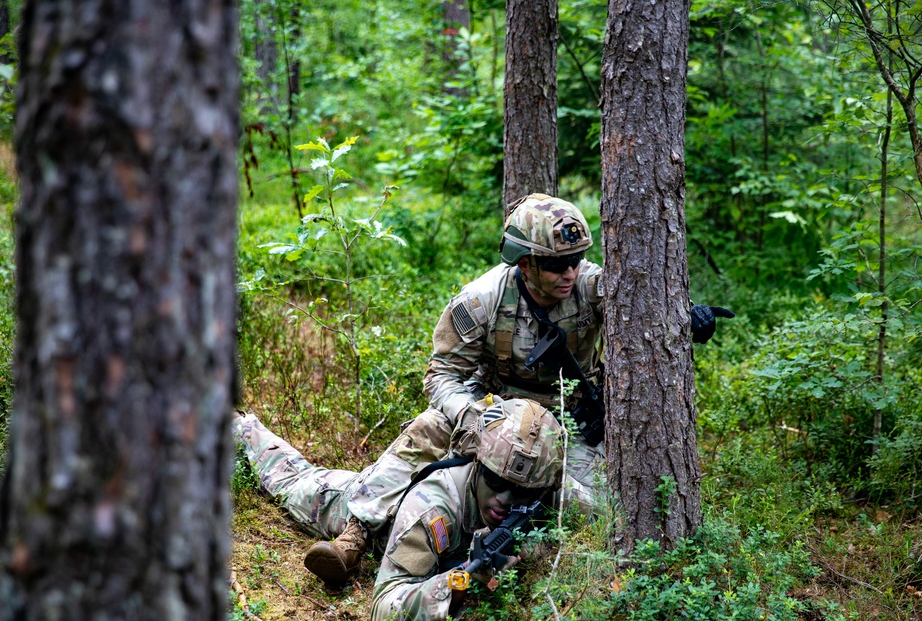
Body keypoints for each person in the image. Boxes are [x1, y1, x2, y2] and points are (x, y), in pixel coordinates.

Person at [304, 193, 734, 587]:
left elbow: (642, 306)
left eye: (577, 260)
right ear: (525, 263)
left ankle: (518, 561)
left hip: (568, 423)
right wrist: (473, 417)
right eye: (555, 264)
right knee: (427, 428)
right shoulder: (482, 300)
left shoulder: (592, 286)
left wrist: (683, 318)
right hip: (495, 412)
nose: (570, 272)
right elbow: (441, 375)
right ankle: (355, 535)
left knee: (596, 507)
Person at [234, 398, 564, 621]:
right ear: (478, 465)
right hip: (375, 509)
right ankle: (238, 425)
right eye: (495, 482)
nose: (505, 500)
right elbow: (383, 609)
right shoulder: (433, 507)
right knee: (291, 479)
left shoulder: (543, 480)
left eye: (521, 491)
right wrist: (460, 582)